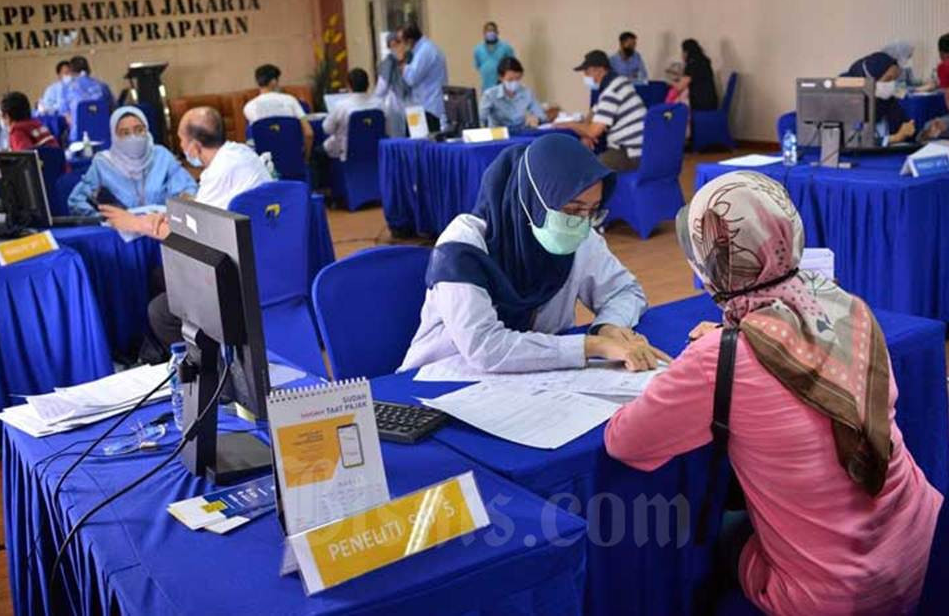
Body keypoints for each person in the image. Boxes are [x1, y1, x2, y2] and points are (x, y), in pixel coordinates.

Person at [605, 171, 942, 615]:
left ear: (711, 265)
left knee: (712, 532)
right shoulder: (850, 307)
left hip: (835, 596)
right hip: (927, 551)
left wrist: (713, 351)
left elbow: (625, 441)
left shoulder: (721, 358)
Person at [400, 134, 667, 374]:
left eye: (593, 209)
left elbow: (625, 291)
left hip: (532, 382)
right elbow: (485, 346)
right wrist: (592, 346)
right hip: (441, 380)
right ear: (533, 201)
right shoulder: (462, 247)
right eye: (572, 209)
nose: (582, 222)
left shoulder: (579, 235)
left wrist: (608, 326)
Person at [99, 107, 271, 359]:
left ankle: (216, 368)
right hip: (261, 261)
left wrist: (136, 224)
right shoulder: (239, 153)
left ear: (195, 146)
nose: (180, 146)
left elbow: (193, 238)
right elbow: (209, 210)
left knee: (159, 311)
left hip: (241, 277)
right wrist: (175, 215)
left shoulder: (218, 171)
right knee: (161, 275)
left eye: (181, 140)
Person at [67, 106, 198, 215]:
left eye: (139, 130)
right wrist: (105, 218)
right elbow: (77, 201)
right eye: (125, 133)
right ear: (114, 136)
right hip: (122, 235)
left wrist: (184, 201)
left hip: (160, 228)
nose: (133, 137)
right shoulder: (103, 163)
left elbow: (188, 189)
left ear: (147, 130)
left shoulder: (161, 155)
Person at [552, 50, 647, 172]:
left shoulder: (612, 92)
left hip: (630, 152)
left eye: (587, 72)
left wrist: (568, 125)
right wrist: (586, 130)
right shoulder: (619, 83)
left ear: (599, 70)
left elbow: (594, 131)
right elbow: (595, 110)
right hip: (640, 148)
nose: (585, 76)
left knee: (588, 170)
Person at [243, 63, 313, 162]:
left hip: (266, 165)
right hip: (293, 160)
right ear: (274, 81)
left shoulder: (249, 107)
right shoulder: (291, 100)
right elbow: (309, 133)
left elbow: (252, 139)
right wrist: (305, 159)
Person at [843, 52, 916, 145]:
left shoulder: (889, 103)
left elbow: (906, 131)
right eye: (888, 79)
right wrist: (894, 138)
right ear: (870, 81)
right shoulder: (850, 105)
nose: (892, 84)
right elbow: (851, 142)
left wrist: (924, 135)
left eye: (895, 79)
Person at [320, 68, 382, 161]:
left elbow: (327, 129)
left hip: (346, 150)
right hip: (374, 150)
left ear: (349, 86)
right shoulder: (379, 105)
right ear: (368, 85)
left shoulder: (341, 106)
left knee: (317, 154)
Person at [398, 23, 448, 132]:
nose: (400, 46)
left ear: (410, 41)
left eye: (401, 42)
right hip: (419, 107)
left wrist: (402, 65)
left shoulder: (425, 51)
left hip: (429, 108)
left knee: (423, 145)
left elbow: (411, 79)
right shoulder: (420, 51)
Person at [478, 56, 548, 128]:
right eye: (510, 80)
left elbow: (542, 116)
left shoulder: (527, 93)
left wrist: (536, 119)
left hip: (521, 134)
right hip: (498, 135)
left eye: (517, 78)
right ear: (501, 78)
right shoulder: (490, 95)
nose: (514, 82)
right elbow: (480, 119)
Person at [374, 30, 411, 137]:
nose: (396, 48)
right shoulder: (388, 63)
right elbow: (381, 89)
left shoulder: (412, 58)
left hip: (415, 105)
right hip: (395, 106)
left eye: (398, 43)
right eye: (392, 46)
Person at [61, 55, 115, 122]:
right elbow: (113, 108)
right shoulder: (102, 86)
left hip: (79, 130)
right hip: (103, 128)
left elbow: (66, 115)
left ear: (71, 71)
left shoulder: (67, 88)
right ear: (88, 69)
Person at [673, 39, 717, 112]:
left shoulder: (692, 64)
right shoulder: (704, 61)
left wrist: (671, 82)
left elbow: (680, 87)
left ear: (686, 52)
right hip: (710, 102)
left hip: (700, 104)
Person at [473, 21, 515, 92]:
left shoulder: (506, 47)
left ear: (497, 32)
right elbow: (478, 66)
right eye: (488, 30)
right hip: (486, 88)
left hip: (503, 87)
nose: (490, 32)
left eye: (493, 30)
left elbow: (512, 66)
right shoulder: (478, 49)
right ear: (484, 33)